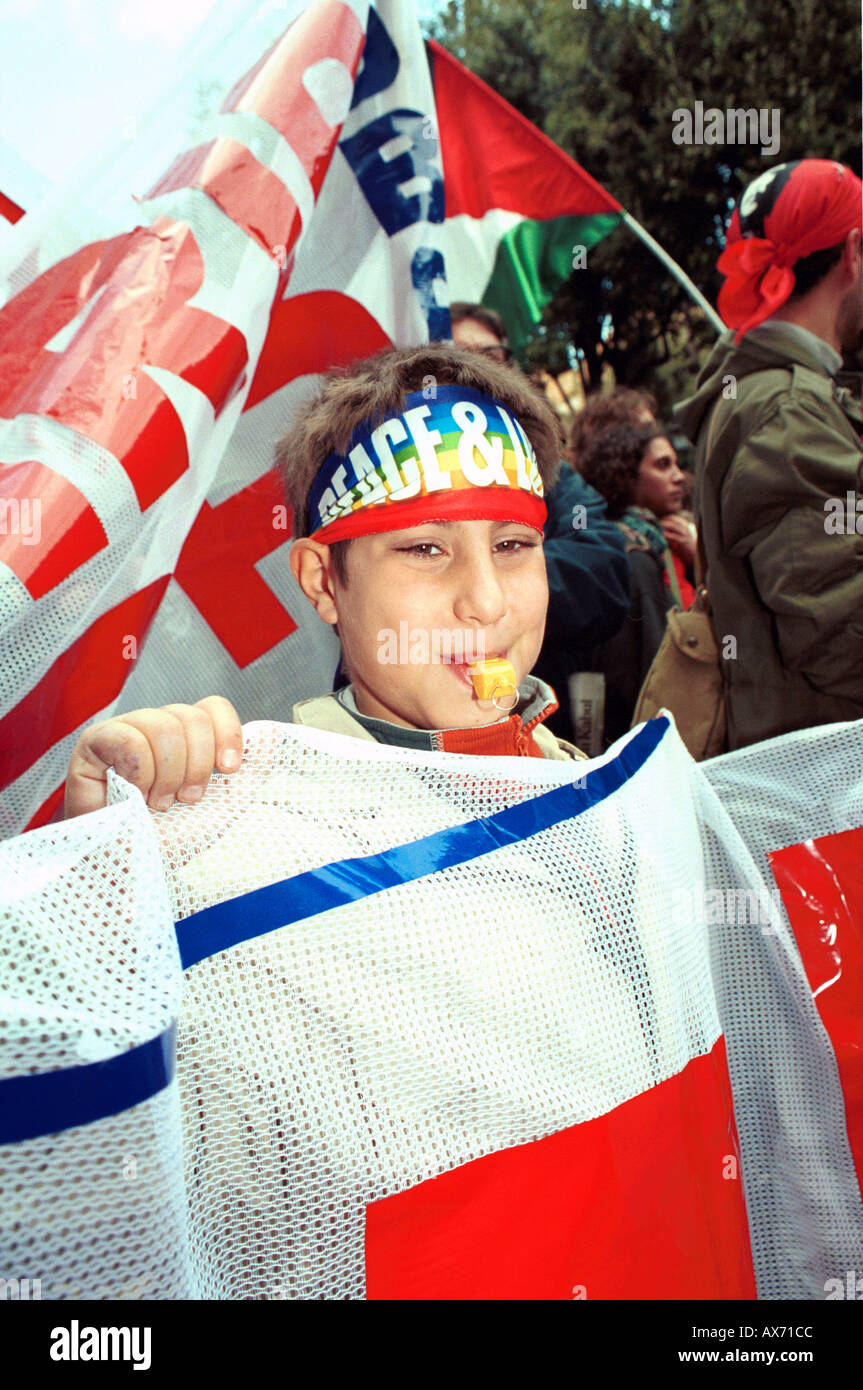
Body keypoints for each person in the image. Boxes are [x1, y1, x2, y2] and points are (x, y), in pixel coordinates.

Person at [65, 343, 587, 817]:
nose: (487, 602)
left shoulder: (587, 781)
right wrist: (103, 865)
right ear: (322, 582)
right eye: (425, 548)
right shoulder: (242, 822)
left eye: (512, 545)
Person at [676, 159, 863, 750]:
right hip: (824, 792)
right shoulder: (786, 406)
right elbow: (840, 633)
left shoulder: (769, 395)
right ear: (854, 252)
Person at [449, 302, 631, 745]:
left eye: (489, 358)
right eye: (423, 550)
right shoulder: (395, 475)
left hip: (542, 735)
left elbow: (603, 567)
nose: (484, 602)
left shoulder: (546, 471)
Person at [578, 422, 689, 744]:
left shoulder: (663, 538)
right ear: (625, 476)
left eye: (677, 464)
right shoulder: (630, 554)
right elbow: (653, 665)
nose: (679, 476)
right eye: (662, 465)